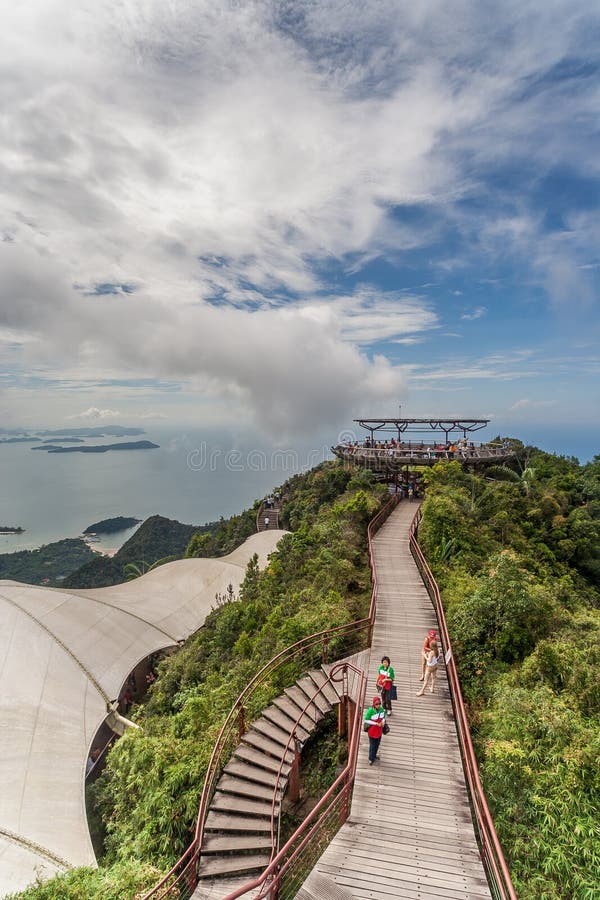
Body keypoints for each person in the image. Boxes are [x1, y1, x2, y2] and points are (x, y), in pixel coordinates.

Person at [364, 696, 386, 765]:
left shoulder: (381, 709)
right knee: (372, 745)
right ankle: (371, 758)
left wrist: (383, 721)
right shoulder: (370, 710)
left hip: (379, 731)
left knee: (377, 744)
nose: (378, 705)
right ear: (373, 704)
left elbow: (384, 717)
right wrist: (376, 724)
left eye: (379, 703)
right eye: (376, 704)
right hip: (372, 731)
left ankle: (374, 755)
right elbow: (366, 720)